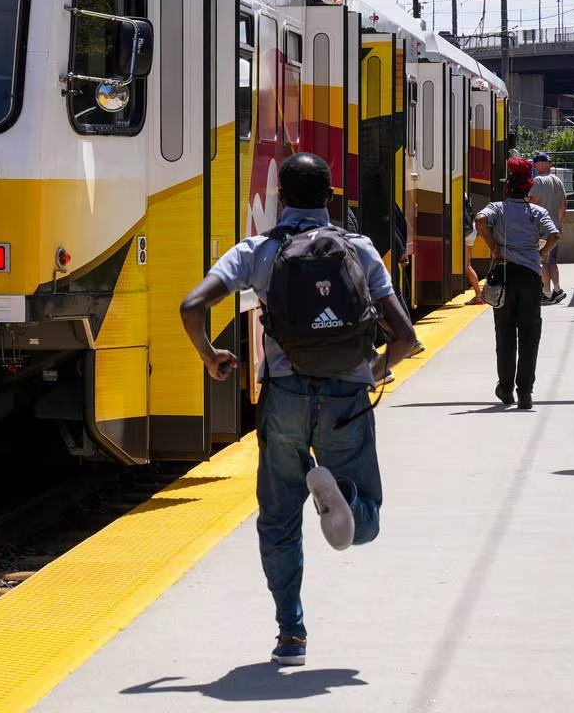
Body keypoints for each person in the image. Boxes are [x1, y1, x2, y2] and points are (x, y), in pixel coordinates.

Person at [178, 152, 417, 668]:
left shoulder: (257, 252)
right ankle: (348, 503)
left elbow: (191, 306)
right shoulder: (360, 249)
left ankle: (291, 635)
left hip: (284, 399)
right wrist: (375, 369)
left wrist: (210, 356)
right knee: (367, 522)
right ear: (330, 199)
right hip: (345, 398)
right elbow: (406, 337)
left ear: (280, 199)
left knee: (278, 518)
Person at [476, 158, 559, 411]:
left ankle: (505, 388)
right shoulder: (537, 213)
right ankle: (525, 392)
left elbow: (480, 220)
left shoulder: (497, 208)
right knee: (529, 335)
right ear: (528, 191)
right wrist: (544, 253)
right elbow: (554, 234)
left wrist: (494, 248)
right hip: (531, 277)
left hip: (504, 275)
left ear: (507, 189)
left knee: (505, 335)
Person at [527, 152, 568, 304]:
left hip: (541, 229)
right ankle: (557, 289)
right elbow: (563, 204)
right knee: (552, 261)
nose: (534, 166)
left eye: (535, 163)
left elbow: (534, 203)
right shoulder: (557, 181)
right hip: (554, 227)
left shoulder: (537, 181)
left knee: (543, 260)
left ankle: (547, 293)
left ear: (539, 164)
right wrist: (560, 223)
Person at [462, 195, 485, 305]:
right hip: (470, 229)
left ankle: (479, 295)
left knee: (466, 266)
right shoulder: (464, 193)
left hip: (465, 231)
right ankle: (478, 295)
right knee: (467, 265)